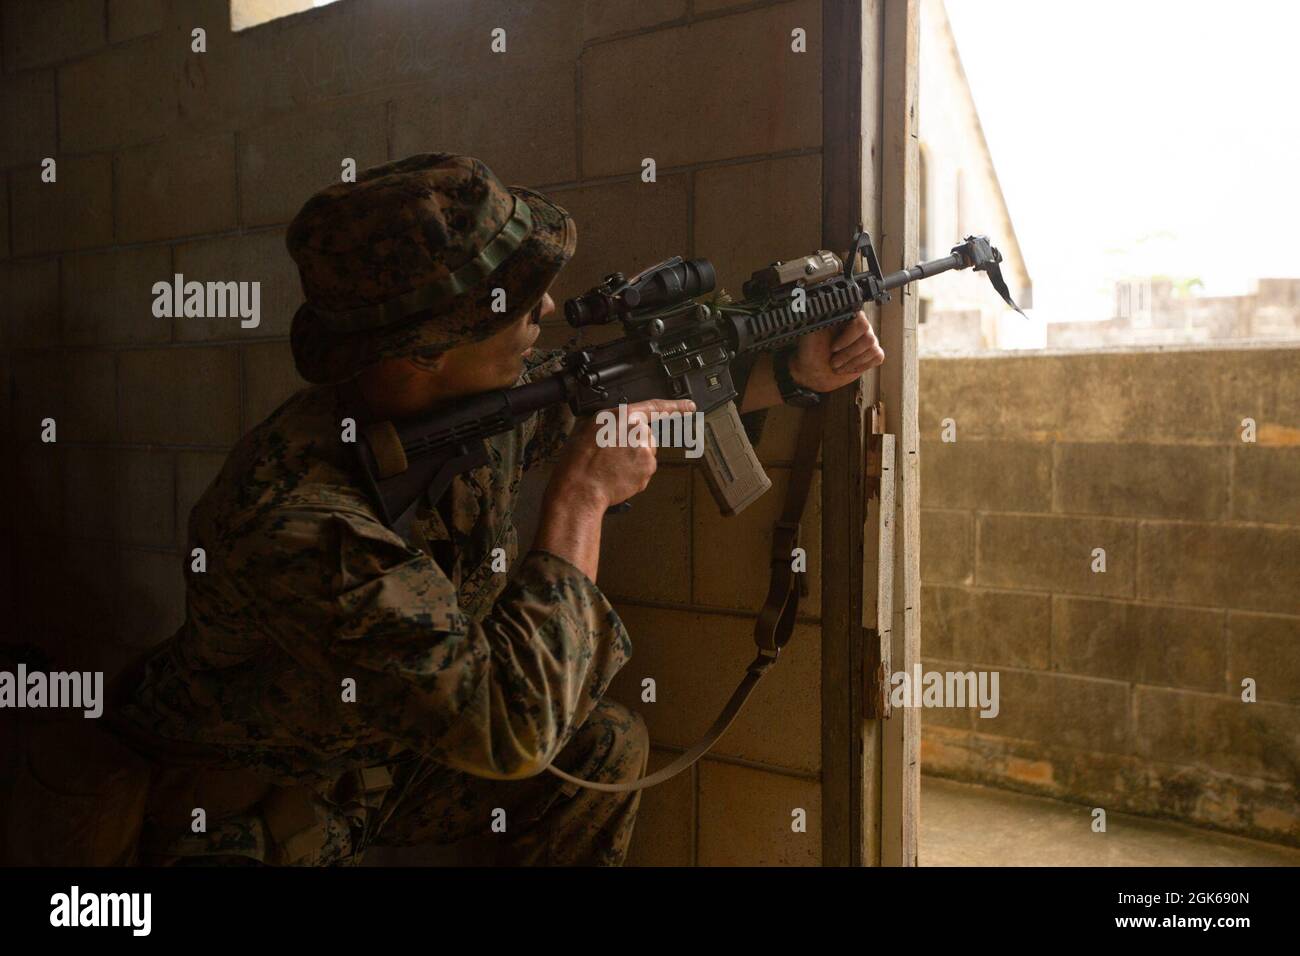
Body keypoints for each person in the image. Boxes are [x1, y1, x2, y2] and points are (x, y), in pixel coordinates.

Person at [105, 153, 885, 866]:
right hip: (255, 798)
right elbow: (511, 732)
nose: (544, 307)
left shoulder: (467, 400)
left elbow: (637, 400)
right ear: (423, 350)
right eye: (511, 300)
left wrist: (787, 372)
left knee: (602, 748)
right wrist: (579, 499)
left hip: (386, 758)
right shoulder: (295, 519)